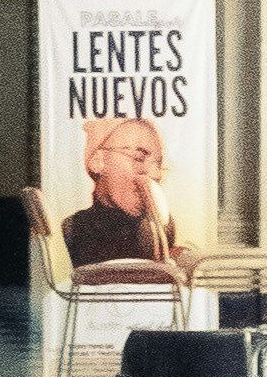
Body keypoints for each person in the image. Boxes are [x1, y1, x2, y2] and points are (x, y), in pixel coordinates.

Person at [61, 109, 182, 270]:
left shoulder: (160, 224)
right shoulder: (77, 226)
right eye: (139, 158)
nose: (154, 174)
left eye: (159, 166)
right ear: (98, 161)